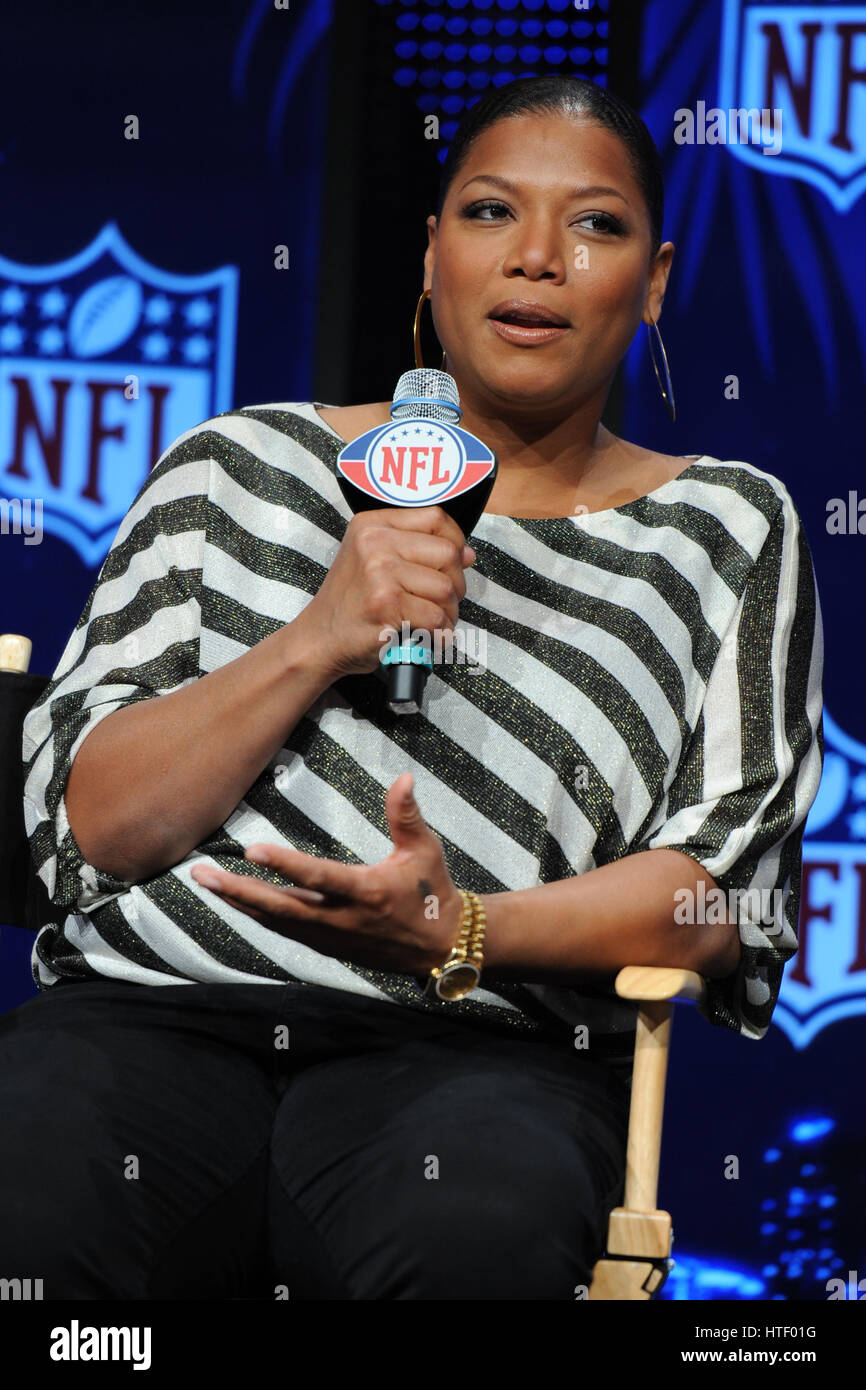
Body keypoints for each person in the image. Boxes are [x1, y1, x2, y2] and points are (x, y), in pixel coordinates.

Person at [2, 75, 823, 1300]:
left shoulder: (725, 526)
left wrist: (462, 928)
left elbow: (716, 903)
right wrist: (319, 634)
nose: (537, 259)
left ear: (652, 282)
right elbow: (89, 825)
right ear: (431, 253)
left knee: (472, 1236)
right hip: (149, 1016)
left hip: (482, 1045)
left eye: (594, 225)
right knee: (37, 1195)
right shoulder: (235, 463)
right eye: (490, 212)